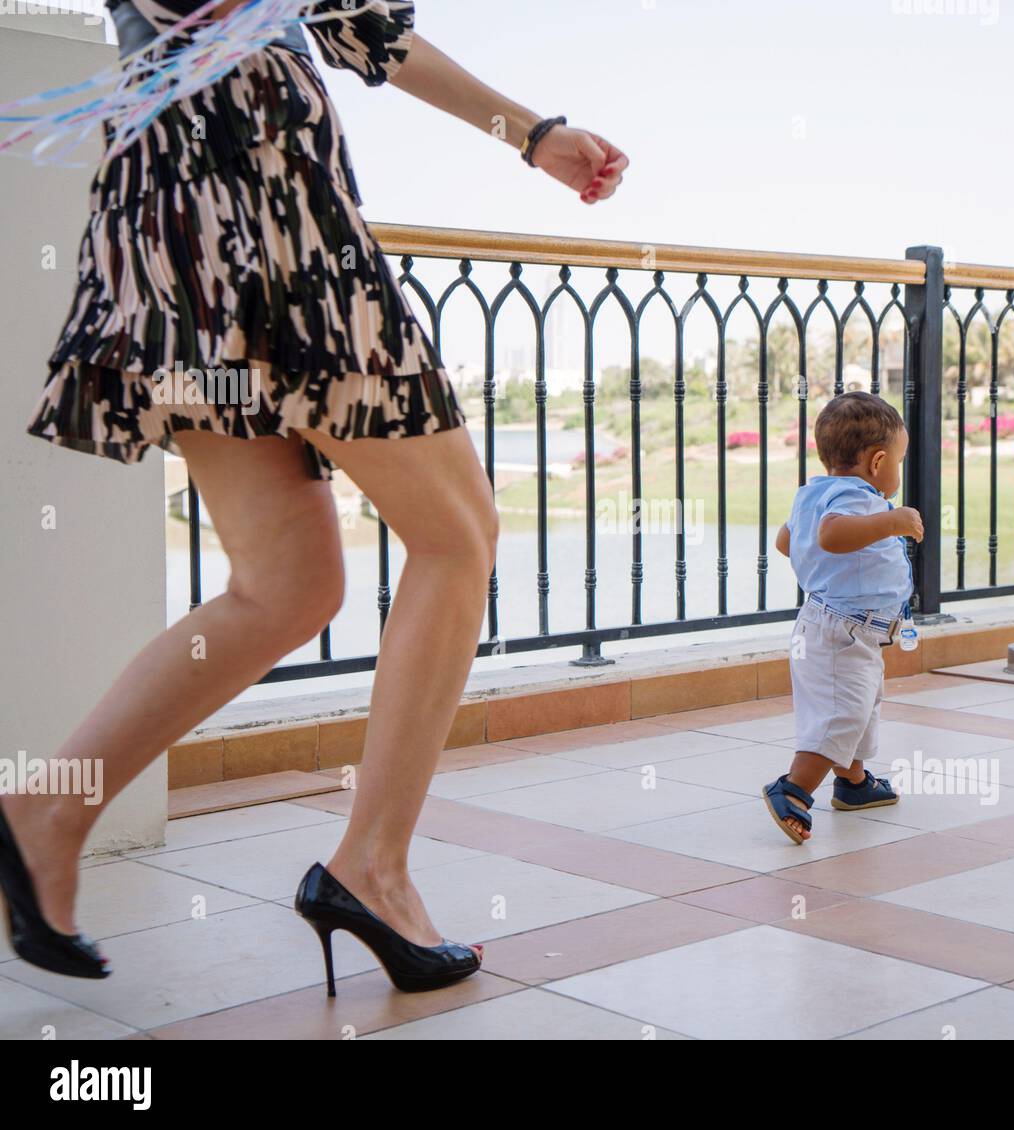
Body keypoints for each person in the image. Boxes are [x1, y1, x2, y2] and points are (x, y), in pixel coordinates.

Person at [0, 0, 627, 995]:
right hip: (257, 172)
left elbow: (349, 24)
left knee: (285, 583)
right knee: (456, 535)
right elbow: (355, 20)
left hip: (168, 196)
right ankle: (371, 866)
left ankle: (47, 813)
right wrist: (534, 134)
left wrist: (536, 137)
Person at [762, 392, 918, 843]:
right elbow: (831, 535)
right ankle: (793, 789)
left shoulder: (812, 493)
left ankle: (853, 784)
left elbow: (787, 542)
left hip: (842, 628)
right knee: (839, 717)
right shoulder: (860, 498)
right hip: (842, 632)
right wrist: (893, 521)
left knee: (860, 709)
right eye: (899, 462)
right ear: (878, 462)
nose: (897, 473)